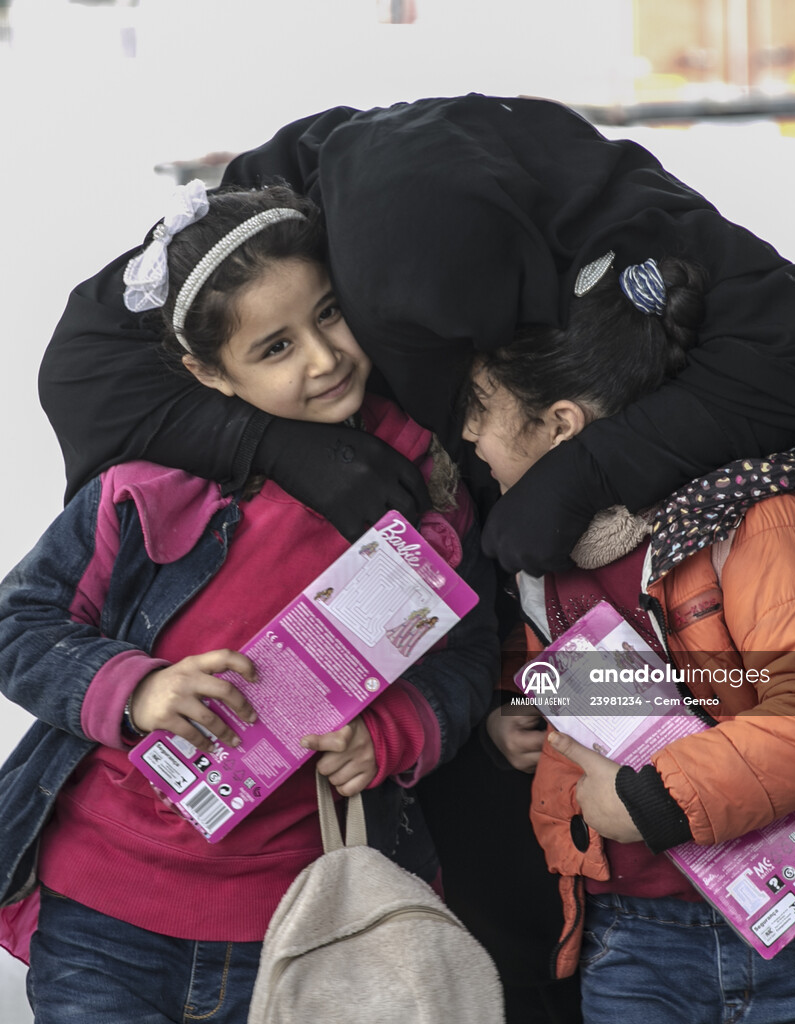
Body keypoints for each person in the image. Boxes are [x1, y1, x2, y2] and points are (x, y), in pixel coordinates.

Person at [0, 181, 498, 1024]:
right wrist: (138, 688)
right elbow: (18, 625)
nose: (322, 358)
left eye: (330, 314)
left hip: (312, 924)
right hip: (102, 915)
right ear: (208, 373)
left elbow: (471, 658)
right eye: (274, 348)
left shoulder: (424, 485)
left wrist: (397, 731)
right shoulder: (150, 487)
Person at [39, 93, 795, 574]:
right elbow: (85, 366)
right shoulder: (280, 226)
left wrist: (575, 479)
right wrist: (289, 450)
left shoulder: (605, 212)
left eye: (335, 319)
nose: (330, 356)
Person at [460, 251, 795, 1023]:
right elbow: (568, 679)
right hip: (631, 935)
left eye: (480, 407)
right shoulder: (548, 565)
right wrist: (522, 719)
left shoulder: (767, 524)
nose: (469, 434)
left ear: (559, 425)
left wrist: (650, 802)